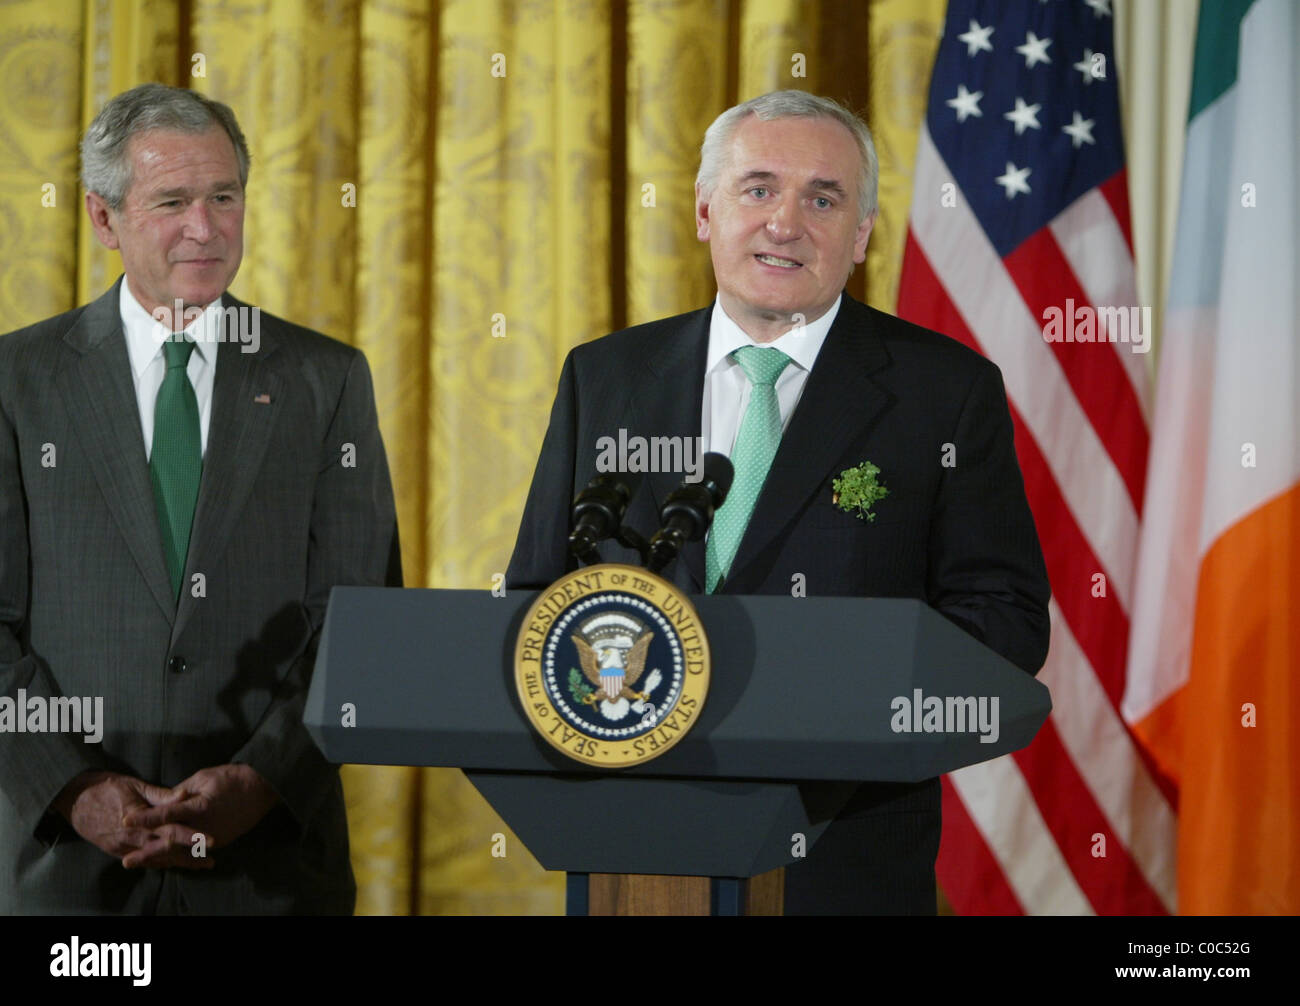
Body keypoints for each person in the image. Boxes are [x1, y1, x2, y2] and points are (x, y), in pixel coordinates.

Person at [506, 90, 1050, 914]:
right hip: (636, 852)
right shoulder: (606, 376)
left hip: (845, 859)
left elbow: (1007, 621)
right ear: (703, 210)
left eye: (822, 199)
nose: (784, 223)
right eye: (757, 188)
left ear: (861, 235)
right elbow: (537, 594)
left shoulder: (944, 393)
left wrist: (837, 685)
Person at [0, 83, 401, 914]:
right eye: (173, 201)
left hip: (271, 871)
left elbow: (362, 619)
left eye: (225, 197)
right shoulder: (16, 381)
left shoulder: (324, 380)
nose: (206, 228)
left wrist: (262, 779)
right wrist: (75, 789)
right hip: (64, 872)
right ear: (103, 219)